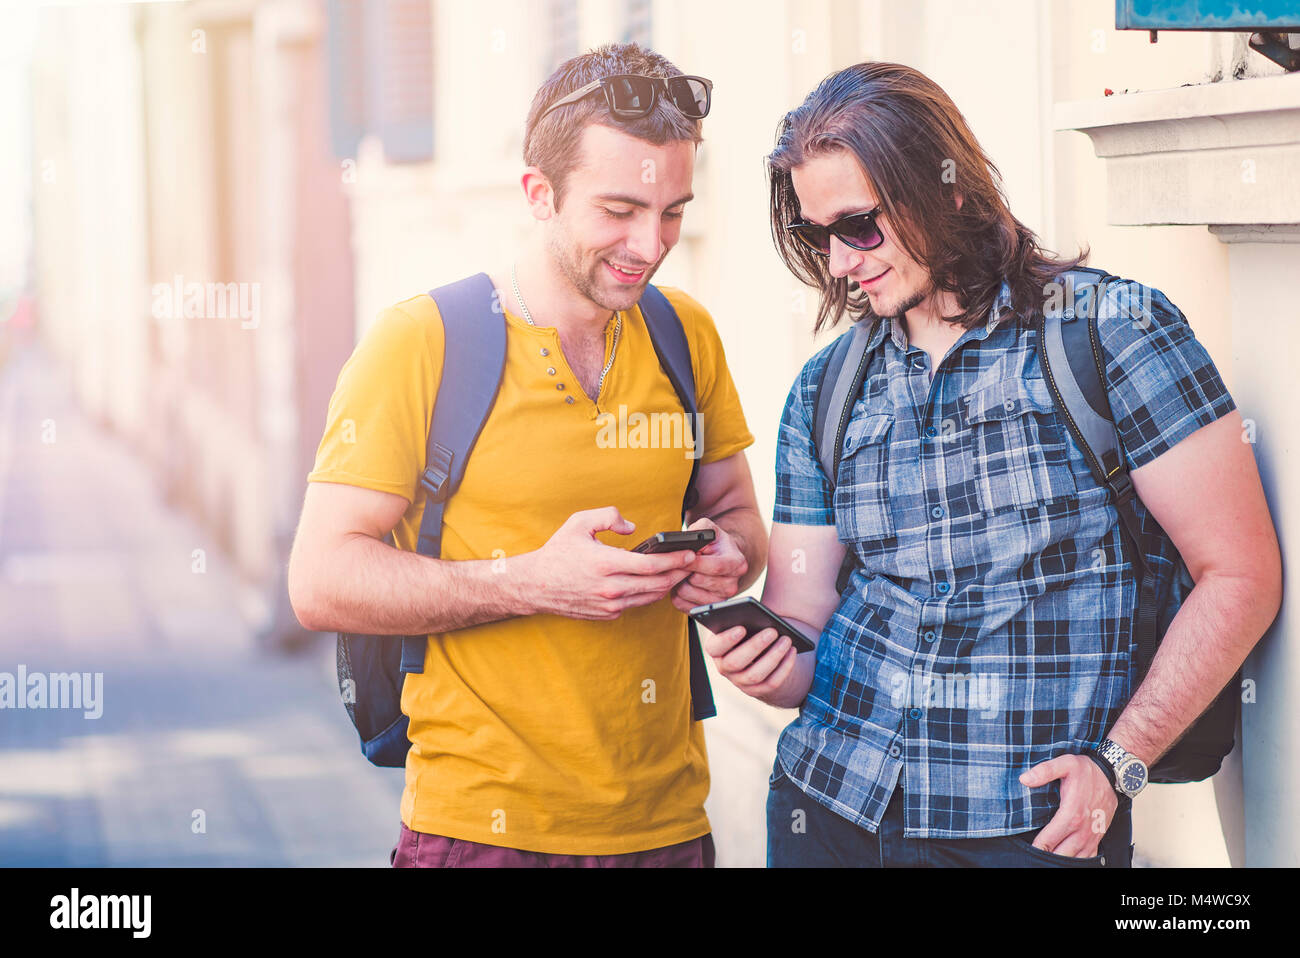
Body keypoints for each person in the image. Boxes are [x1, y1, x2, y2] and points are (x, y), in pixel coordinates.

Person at [703, 61, 1282, 867]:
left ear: (948, 191)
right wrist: (768, 664)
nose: (839, 262)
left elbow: (1241, 574)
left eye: (860, 225)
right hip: (829, 808)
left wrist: (1119, 763)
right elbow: (803, 616)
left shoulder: (1114, 330)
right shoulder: (824, 388)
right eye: (817, 233)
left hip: (1031, 829)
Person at [288, 42, 766, 867]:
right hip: (480, 834)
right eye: (618, 211)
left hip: (670, 830)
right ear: (538, 195)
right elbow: (319, 578)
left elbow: (738, 520)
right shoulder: (422, 344)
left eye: (673, 211)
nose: (650, 246)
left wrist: (728, 558)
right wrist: (530, 581)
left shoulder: (684, 335)